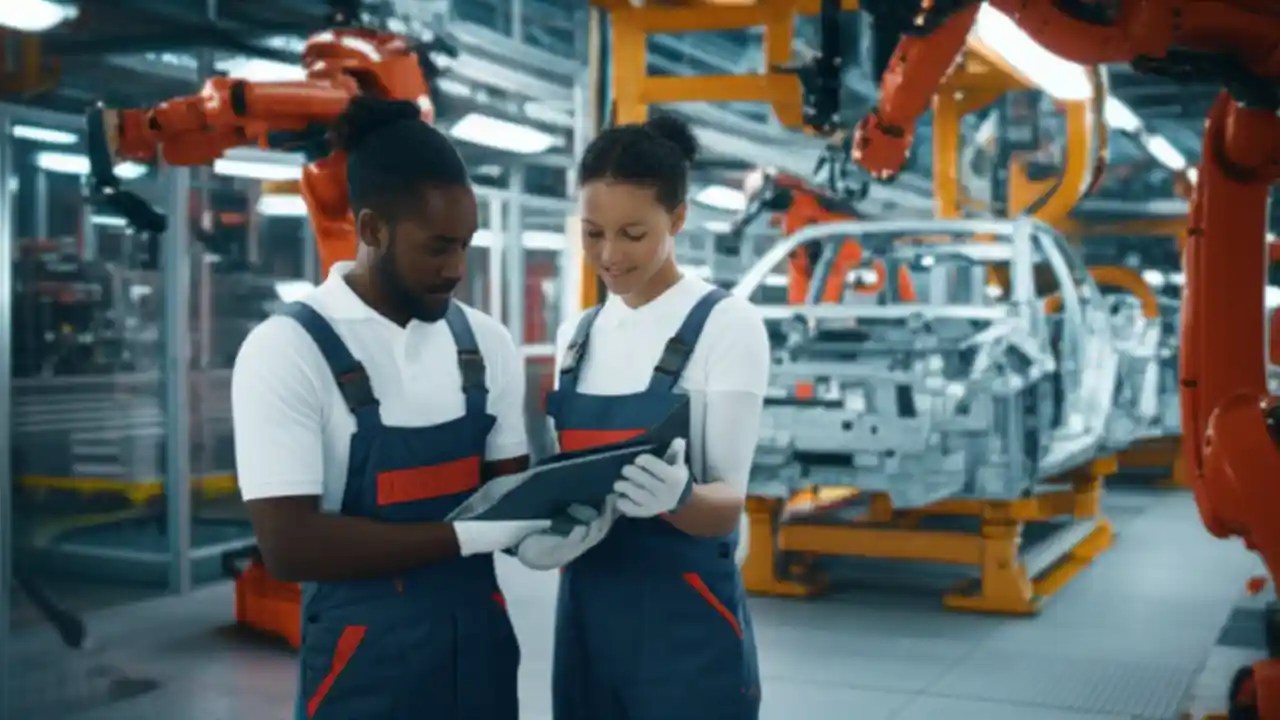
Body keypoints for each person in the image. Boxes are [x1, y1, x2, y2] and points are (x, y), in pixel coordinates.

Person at [231, 97, 556, 720]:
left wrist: (552, 530)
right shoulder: (289, 350)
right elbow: (289, 545)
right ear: (373, 229)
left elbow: (509, 500)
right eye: (437, 247)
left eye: (464, 245)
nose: (457, 269)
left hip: (480, 655)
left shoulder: (485, 344)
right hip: (364, 668)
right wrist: (467, 536)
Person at [514, 115, 771, 719]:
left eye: (632, 233)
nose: (609, 255)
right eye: (592, 232)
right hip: (586, 613)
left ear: (677, 220)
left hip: (686, 622)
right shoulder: (577, 334)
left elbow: (727, 504)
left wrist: (680, 498)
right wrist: (539, 535)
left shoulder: (727, 326)